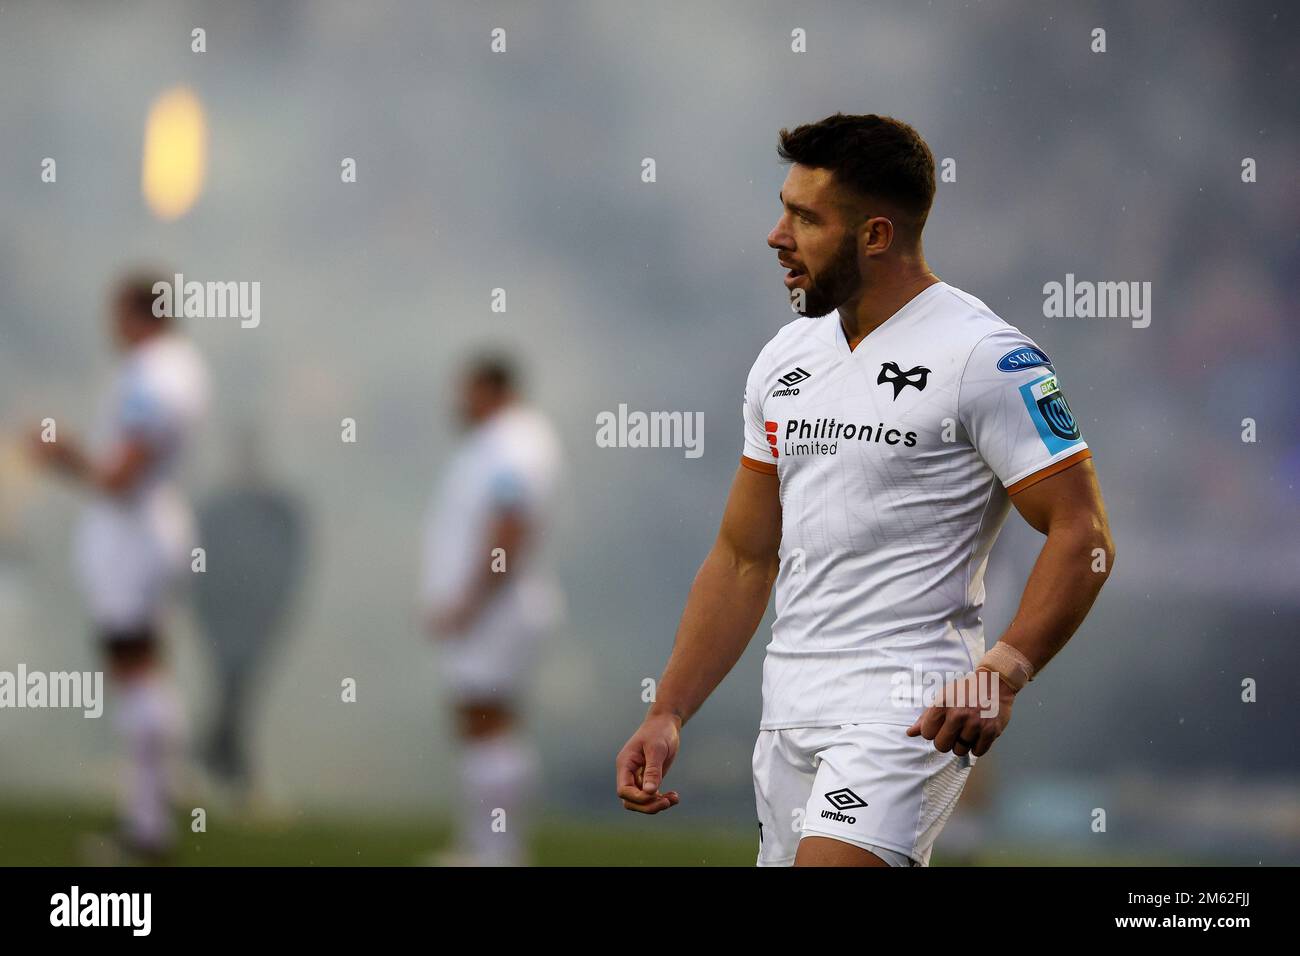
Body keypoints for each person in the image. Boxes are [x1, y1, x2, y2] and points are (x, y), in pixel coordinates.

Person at [615, 113, 1115, 867]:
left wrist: (1002, 673)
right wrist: (669, 710)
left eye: (804, 217)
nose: (776, 235)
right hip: (790, 713)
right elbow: (746, 556)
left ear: (876, 235)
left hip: (907, 712)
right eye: (784, 207)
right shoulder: (786, 357)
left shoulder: (986, 356)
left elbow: (1084, 534)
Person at [29, 271, 210, 860]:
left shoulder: (153, 375)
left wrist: (62, 456)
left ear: (136, 314)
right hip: (152, 528)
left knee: (134, 669)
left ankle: (149, 826)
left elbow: (119, 475)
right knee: (146, 667)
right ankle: (154, 806)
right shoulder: (179, 367)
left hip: (134, 536)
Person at [419, 355, 563, 866]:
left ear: (492, 388)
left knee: (488, 719)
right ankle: (487, 844)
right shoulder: (499, 442)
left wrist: (469, 601)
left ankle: (499, 850)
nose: (458, 403)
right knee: (482, 719)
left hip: (497, 606)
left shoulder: (514, 443)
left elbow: (510, 527)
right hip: (493, 604)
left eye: (467, 391)